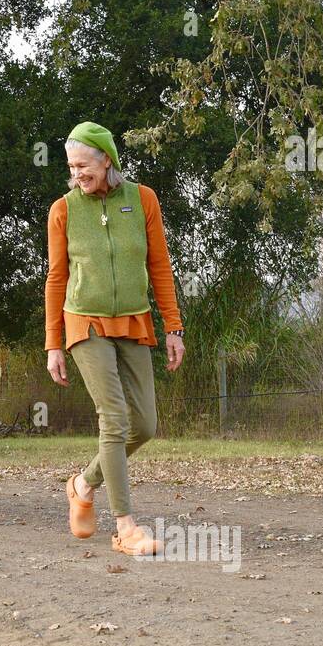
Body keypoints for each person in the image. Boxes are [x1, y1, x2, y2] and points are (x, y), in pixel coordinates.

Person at [45, 121, 185, 553]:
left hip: (135, 320)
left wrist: (173, 327)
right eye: (72, 167)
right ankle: (126, 528)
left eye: (84, 164)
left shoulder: (142, 200)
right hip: (84, 323)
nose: (78, 173)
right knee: (115, 419)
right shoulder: (63, 210)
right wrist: (53, 343)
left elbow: (160, 266)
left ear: (107, 159)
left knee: (144, 425)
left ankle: (83, 485)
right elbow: (56, 278)